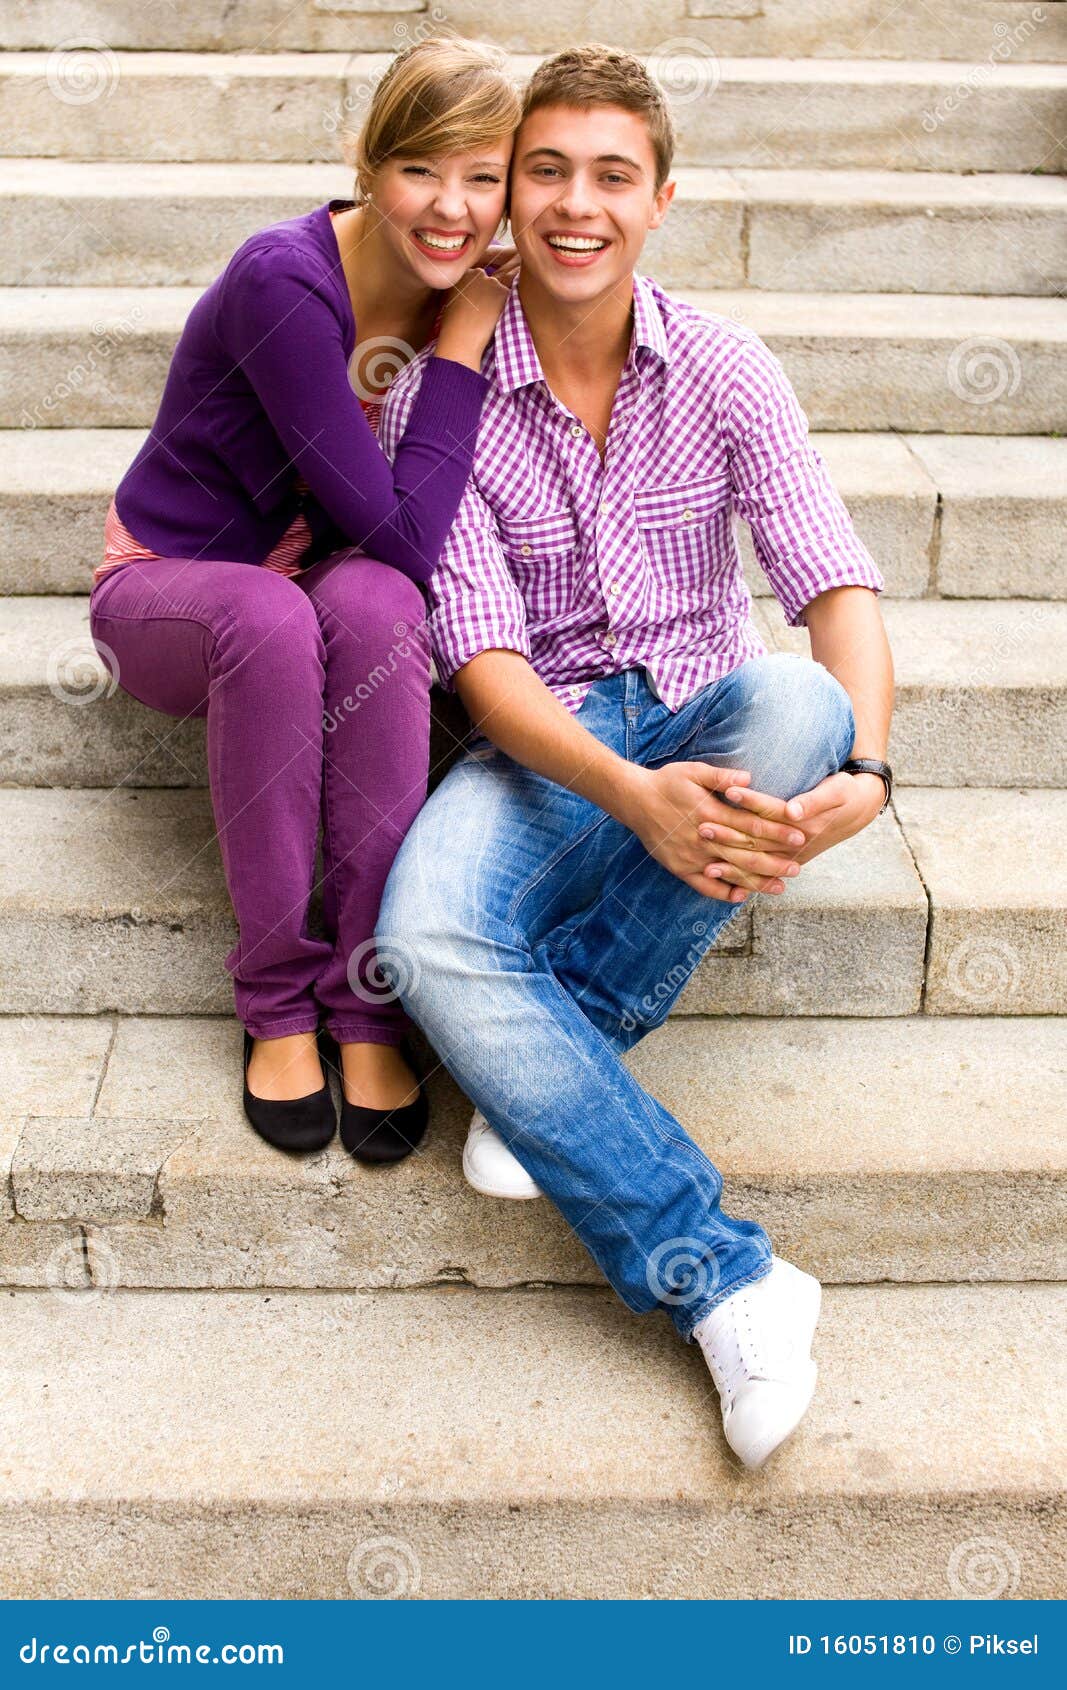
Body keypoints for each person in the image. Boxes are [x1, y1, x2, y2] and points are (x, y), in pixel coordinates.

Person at [373, 44, 894, 1470]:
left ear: (659, 198)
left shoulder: (722, 365)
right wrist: (626, 796)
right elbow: (476, 658)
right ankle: (725, 1277)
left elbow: (831, 582)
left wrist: (872, 775)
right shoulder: (441, 394)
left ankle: (569, 1042)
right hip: (537, 742)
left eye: (610, 173)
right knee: (419, 938)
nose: (573, 203)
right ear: (506, 197)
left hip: (692, 707)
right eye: (543, 171)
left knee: (797, 709)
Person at [88, 37, 522, 1162]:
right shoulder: (287, 279)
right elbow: (405, 527)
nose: (451, 207)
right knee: (280, 615)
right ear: (370, 164)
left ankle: (365, 995)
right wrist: (463, 357)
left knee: (377, 609)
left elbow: (392, 564)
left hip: (312, 590)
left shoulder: (456, 292)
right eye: (423, 169)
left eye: (483, 177)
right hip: (170, 590)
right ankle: (275, 1000)